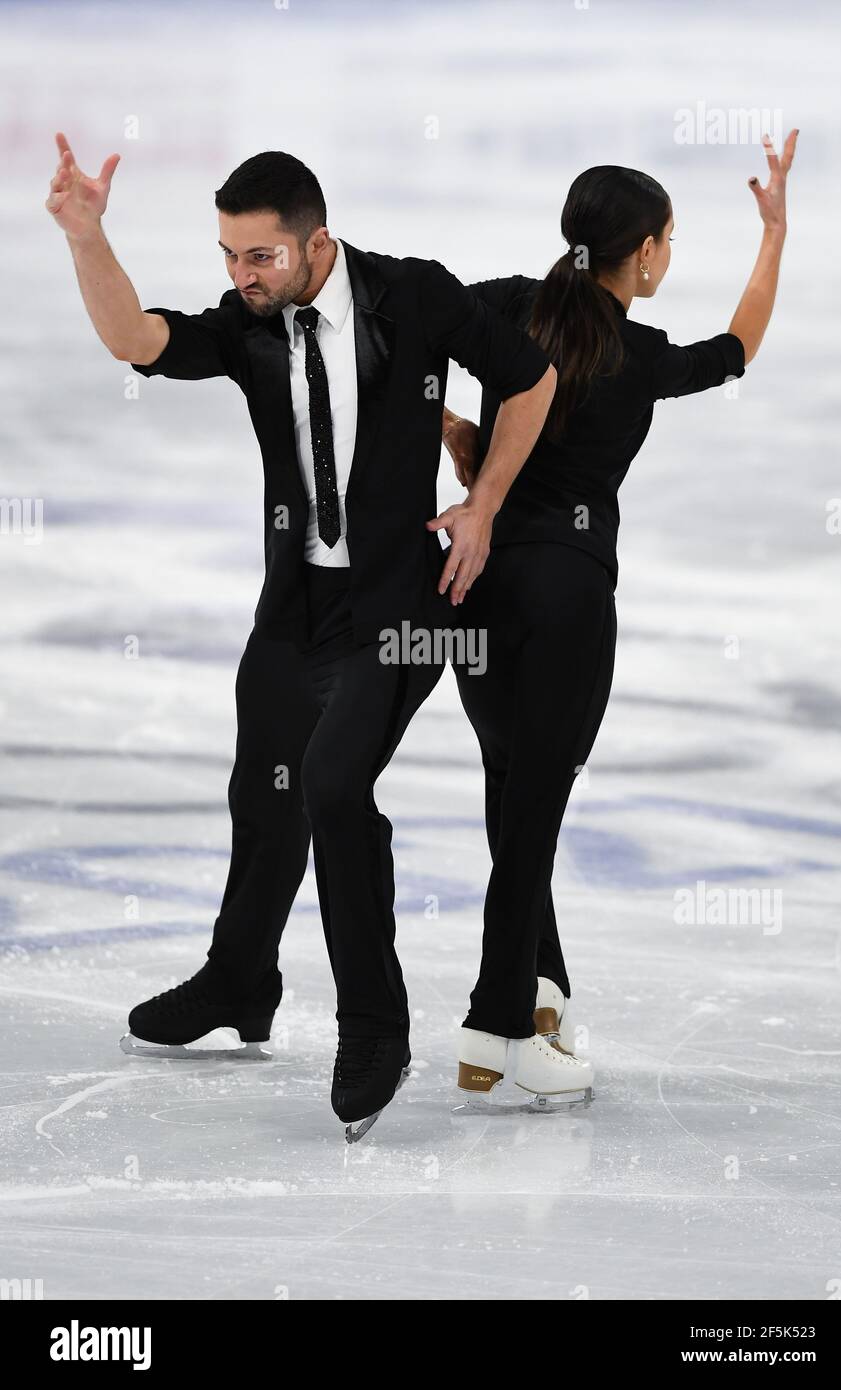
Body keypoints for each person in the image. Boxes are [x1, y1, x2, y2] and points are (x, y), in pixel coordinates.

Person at [46, 134, 557, 1139]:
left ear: (315, 244)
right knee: (263, 787)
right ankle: (241, 976)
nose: (239, 277)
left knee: (329, 785)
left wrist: (484, 501)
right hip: (296, 607)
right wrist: (85, 236)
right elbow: (135, 340)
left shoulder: (411, 296)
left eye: (258, 257)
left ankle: (374, 1022)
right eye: (228, 257)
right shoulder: (251, 328)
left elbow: (530, 378)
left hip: (404, 609)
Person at [441, 131, 798, 1108]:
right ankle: (496, 1027)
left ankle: (537, 988)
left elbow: (403, 336)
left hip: (470, 585)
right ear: (643, 253)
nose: (668, 256)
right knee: (532, 813)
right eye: (669, 240)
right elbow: (734, 349)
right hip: (563, 599)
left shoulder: (504, 302)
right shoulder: (634, 354)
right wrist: (772, 235)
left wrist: (453, 434)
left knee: (510, 791)